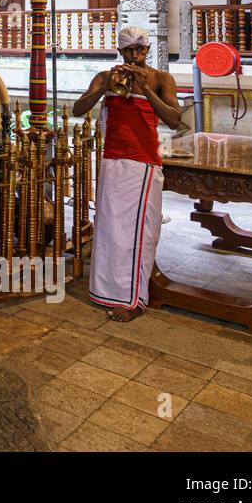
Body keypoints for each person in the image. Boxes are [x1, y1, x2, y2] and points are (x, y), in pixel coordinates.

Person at [72, 26, 182, 322]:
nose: (136, 56)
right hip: (112, 161)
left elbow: (174, 120)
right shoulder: (106, 77)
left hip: (143, 163)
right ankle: (107, 291)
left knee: (141, 233)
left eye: (141, 50)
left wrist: (145, 88)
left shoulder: (161, 79)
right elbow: (77, 110)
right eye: (130, 51)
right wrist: (103, 88)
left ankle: (134, 300)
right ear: (120, 52)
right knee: (110, 231)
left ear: (147, 50)